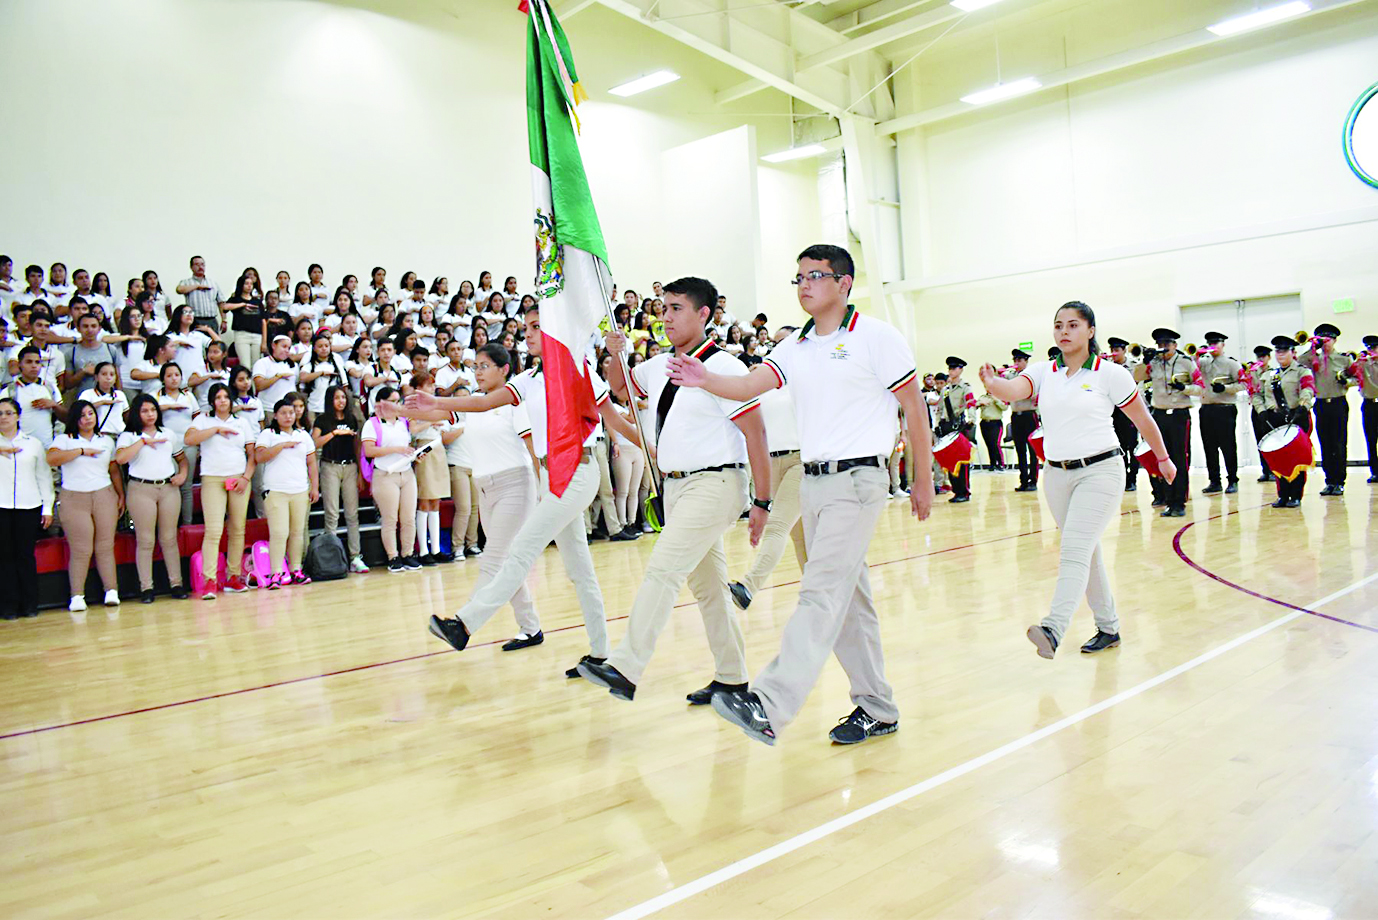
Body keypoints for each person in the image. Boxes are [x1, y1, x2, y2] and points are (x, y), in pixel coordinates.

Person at [665, 245, 932, 746]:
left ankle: (769, 703)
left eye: (815, 276)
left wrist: (923, 478)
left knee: (820, 591)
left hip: (858, 482)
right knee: (849, 601)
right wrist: (706, 378)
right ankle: (877, 707)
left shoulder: (877, 337)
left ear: (844, 283)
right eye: (799, 277)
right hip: (813, 483)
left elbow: (914, 408)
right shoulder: (797, 345)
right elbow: (750, 384)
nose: (805, 285)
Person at [409, 303, 639, 672]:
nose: (527, 333)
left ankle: (464, 624)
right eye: (526, 327)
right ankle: (601, 654)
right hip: (551, 476)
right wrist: (436, 400)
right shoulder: (528, 379)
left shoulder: (578, 367)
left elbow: (615, 416)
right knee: (580, 571)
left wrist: (651, 447)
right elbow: (484, 402)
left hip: (579, 471)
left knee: (519, 551)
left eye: (535, 326)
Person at [980, 302, 1175, 659]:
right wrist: (993, 384)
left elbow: (1143, 419)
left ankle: (1054, 628)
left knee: (1073, 548)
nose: (1064, 331)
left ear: (1090, 331)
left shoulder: (1110, 373)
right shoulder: (1044, 371)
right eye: (1058, 325)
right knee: (1086, 550)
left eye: (1073, 325)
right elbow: (1013, 390)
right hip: (1056, 475)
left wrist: (1162, 458)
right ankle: (1109, 627)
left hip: (1101, 471)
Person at [727, 384, 805, 613]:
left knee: (777, 526)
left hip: (800, 462)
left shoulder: (800, 381)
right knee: (801, 537)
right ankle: (820, 598)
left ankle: (749, 586)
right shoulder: (756, 385)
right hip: (770, 463)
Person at [48, 399, 121, 611]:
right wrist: (81, 451)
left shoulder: (106, 441)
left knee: (105, 545)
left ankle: (111, 590)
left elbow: (114, 470)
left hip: (104, 494)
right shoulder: (64, 439)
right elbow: (51, 458)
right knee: (81, 548)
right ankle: (77, 595)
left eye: (91, 414)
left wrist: (120, 495)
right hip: (74, 497)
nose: (88, 418)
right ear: (75, 419)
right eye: (82, 415)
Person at [115, 394, 189, 602]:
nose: (150, 415)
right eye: (145, 411)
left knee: (169, 538)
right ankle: (146, 587)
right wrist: (143, 442)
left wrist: (182, 474)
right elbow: (120, 458)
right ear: (136, 414)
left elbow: (182, 460)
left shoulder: (168, 433)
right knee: (145, 540)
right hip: (141, 488)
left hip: (167, 488)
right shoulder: (128, 436)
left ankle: (176, 583)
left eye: (153, 410)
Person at [184, 383, 255, 598]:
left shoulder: (242, 422)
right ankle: (210, 580)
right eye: (218, 397)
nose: (222, 401)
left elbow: (252, 455)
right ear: (212, 401)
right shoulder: (203, 420)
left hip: (238, 478)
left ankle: (233, 577)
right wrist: (215, 429)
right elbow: (188, 439)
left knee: (237, 529)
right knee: (213, 530)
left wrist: (245, 478)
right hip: (213, 479)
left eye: (226, 397)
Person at [1134, 328, 1199, 517]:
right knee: (1163, 458)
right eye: (1160, 344)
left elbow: (1200, 388)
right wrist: (1144, 360)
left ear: (1175, 345)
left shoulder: (1186, 362)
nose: (1163, 348)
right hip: (1160, 414)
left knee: (1179, 458)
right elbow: (1136, 377)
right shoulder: (1153, 363)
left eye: (1167, 344)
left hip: (1179, 414)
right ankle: (1169, 500)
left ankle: (1179, 502)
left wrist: (1184, 388)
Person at [255, 397, 319, 588]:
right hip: (276, 491)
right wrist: (281, 445)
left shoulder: (303, 435)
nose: (288, 416)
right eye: (283, 413)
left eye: (291, 412)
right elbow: (259, 456)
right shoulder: (268, 434)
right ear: (275, 415)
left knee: (297, 532)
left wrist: (314, 487)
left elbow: (311, 463)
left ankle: (296, 569)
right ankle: (276, 573)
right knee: (279, 533)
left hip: (299, 490)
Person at [0, 397, 53, 618]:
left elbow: (43, 477)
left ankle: (30, 604)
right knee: (4, 557)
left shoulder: (33, 444)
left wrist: (47, 507)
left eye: (8, 413)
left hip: (28, 505)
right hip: (2, 506)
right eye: (0, 413)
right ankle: (8, 606)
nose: (4, 417)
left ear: (18, 416)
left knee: (25, 555)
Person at [363, 387, 422, 572]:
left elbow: (407, 446)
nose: (398, 405)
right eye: (393, 401)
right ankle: (393, 556)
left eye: (399, 401)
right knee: (390, 519)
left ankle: (408, 554)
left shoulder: (403, 422)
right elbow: (369, 451)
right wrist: (397, 449)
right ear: (382, 403)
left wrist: (414, 454)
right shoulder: (372, 424)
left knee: (409, 518)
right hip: (385, 474)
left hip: (406, 472)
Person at [313, 384, 368, 573]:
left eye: (343, 397)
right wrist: (334, 433)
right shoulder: (322, 420)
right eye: (337, 398)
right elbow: (313, 443)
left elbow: (357, 446)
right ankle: (331, 557)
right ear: (330, 400)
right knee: (332, 514)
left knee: (352, 514)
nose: (341, 401)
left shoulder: (351, 419)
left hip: (350, 466)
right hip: (330, 466)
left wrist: (360, 472)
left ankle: (355, 556)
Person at [1300, 323, 1354, 496]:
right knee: (1325, 443)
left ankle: (1339, 481)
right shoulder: (1313, 359)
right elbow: (1299, 363)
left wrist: (1346, 382)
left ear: (1335, 340)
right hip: (1321, 404)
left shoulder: (1343, 359)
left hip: (1338, 403)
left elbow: (1356, 377)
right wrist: (1312, 348)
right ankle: (1329, 481)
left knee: (1339, 443)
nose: (1326, 342)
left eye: (1328, 339)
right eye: (1322, 339)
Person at [1264, 336, 1318, 508]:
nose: (1280, 354)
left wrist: (1303, 405)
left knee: (1296, 457)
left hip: (1298, 415)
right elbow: (1267, 395)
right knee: (1280, 458)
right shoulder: (1272, 374)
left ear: (1293, 352)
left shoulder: (1302, 371)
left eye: (1284, 351)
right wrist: (1269, 410)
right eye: (1278, 351)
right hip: (1279, 417)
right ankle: (1283, 494)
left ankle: (1295, 495)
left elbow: (1308, 389)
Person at [408, 372, 452, 564]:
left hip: (438, 448)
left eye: (433, 385)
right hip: (424, 448)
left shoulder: (436, 404)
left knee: (436, 501)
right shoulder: (412, 405)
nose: (432, 388)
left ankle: (436, 548)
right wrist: (430, 422)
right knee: (424, 501)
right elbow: (412, 430)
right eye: (428, 385)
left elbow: (445, 426)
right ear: (418, 388)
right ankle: (423, 550)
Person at [1196, 331, 1243, 495]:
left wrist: (1226, 388)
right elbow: (1191, 372)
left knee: (1228, 446)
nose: (1213, 346)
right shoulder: (1202, 362)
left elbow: (1244, 384)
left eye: (1216, 343)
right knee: (1209, 447)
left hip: (1225, 408)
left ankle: (1232, 479)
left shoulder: (1231, 364)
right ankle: (1214, 480)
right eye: (1210, 343)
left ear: (1223, 345)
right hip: (1207, 408)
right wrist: (1196, 355)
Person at [155, 363, 201, 525]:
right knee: (171, 485)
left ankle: (187, 524)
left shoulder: (188, 396)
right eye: (169, 375)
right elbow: (148, 415)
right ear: (162, 379)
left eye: (177, 375)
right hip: (166, 448)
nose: (174, 379)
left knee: (187, 487)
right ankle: (171, 524)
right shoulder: (156, 396)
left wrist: (198, 444)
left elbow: (198, 420)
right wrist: (168, 407)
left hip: (188, 445)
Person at [6, 345, 63, 449]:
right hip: (19, 448)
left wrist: (54, 405)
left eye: (37, 362)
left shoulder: (50, 388)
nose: (34, 366)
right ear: (19, 365)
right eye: (29, 362)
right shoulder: (9, 391)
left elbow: (65, 418)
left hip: (47, 447)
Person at [936, 357, 975, 502]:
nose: (951, 371)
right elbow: (940, 409)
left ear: (960, 370)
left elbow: (971, 404)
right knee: (950, 460)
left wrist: (972, 420)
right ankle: (956, 490)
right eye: (949, 368)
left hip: (959, 426)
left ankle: (964, 491)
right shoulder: (945, 390)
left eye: (954, 368)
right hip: (947, 426)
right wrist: (937, 425)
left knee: (962, 461)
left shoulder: (965, 387)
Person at [1105, 339, 1140, 491]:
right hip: (1115, 411)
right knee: (1119, 447)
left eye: (1117, 350)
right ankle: (1123, 477)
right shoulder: (1107, 367)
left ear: (1124, 350)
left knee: (1132, 446)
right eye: (1112, 350)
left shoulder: (1134, 366)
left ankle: (1133, 478)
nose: (1114, 353)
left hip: (1130, 410)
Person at [1007, 348, 1041, 492]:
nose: (1017, 362)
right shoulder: (1010, 376)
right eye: (1015, 360)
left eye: (1020, 360)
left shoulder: (1031, 375)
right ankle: (1023, 481)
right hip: (1016, 415)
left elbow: (1033, 394)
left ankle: (1033, 481)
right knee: (1020, 450)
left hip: (1029, 415)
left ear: (1026, 361)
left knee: (1033, 450)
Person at [77, 362, 129, 436]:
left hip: (119, 435)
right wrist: (102, 402)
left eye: (112, 375)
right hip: (99, 435)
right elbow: (79, 410)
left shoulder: (120, 395)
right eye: (104, 374)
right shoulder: (87, 394)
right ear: (96, 377)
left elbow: (127, 417)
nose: (108, 378)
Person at [176, 256, 224, 334]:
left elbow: (221, 302)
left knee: (215, 341)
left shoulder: (213, 283)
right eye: (197, 264)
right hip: (195, 320)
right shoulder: (186, 282)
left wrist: (224, 320)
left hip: (211, 320)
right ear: (191, 267)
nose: (200, 267)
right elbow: (179, 290)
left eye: (202, 264)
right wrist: (197, 286)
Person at [224, 272, 264, 367]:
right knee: (245, 365)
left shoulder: (257, 301)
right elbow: (225, 307)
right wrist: (243, 305)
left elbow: (263, 320)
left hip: (257, 335)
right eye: (246, 283)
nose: (249, 286)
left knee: (256, 365)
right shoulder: (236, 299)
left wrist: (264, 341)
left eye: (251, 284)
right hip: (242, 335)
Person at [253, 335, 299, 416]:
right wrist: (278, 376)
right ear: (274, 346)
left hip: (289, 410)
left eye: (289, 348)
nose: (286, 350)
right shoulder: (262, 363)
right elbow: (259, 386)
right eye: (284, 346)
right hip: (269, 408)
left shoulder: (293, 365)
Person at [1358, 335, 1378, 484]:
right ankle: (1375, 472)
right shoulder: (1364, 364)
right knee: (1371, 439)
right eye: (1369, 347)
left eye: (1375, 347)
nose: (1372, 350)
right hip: (1369, 404)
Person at [975, 389, 1007, 470]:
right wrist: (980, 403)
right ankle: (992, 464)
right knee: (989, 444)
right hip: (984, 423)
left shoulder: (1000, 396)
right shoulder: (983, 397)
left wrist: (996, 399)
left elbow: (1004, 407)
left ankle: (1000, 464)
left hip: (995, 423)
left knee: (995, 444)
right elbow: (974, 406)